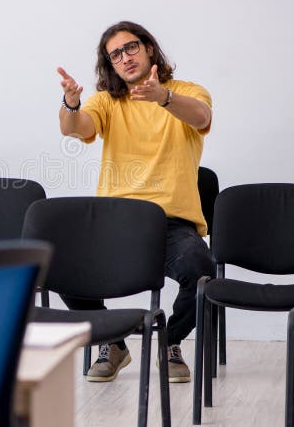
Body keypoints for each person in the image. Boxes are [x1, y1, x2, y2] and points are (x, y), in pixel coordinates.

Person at [57, 20, 213, 384]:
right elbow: (75, 128)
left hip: (170, 224)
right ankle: (112, 342)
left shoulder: (187, 91)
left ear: (148, 48)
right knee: (60, 261)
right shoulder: (107, 102)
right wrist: (71, 103)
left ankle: (169, 342)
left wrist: (163, 98)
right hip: (116, 221)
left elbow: (202, 117)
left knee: (202, 270)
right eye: (115, 55)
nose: (124, 58)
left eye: (130, 48)